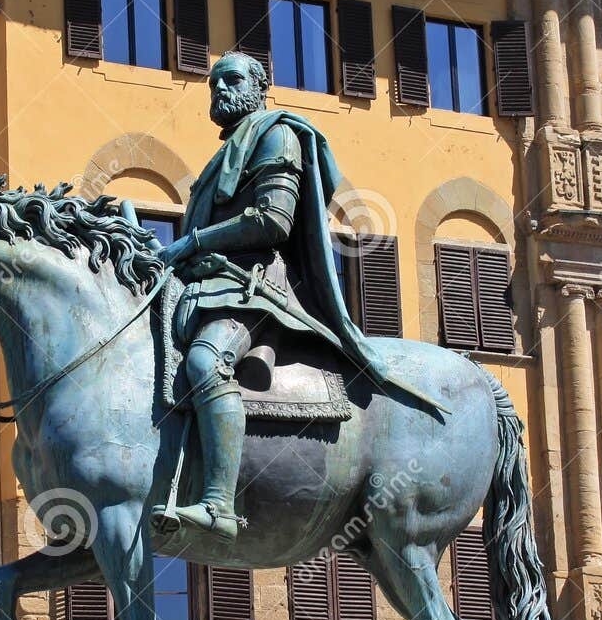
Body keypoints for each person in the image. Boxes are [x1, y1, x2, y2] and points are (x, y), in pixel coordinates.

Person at [156, 51, 433, 540]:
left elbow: (272, 220)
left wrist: (193, 242)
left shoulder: (275, 134)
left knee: (205, 363)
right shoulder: (227, 151)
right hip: (206, 287)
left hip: (249, 292)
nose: (220, 90)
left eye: (232, 80)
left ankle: (219, 502)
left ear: (259, 85)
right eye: (214, 84)